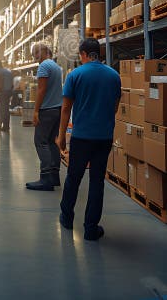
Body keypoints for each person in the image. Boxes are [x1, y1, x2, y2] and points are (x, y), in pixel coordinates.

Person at [56, 38, 121, 240]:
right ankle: (91, 228)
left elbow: (66, 108)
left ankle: (67, 218)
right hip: (104, 137)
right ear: (98, 54)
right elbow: (115, 106)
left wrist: (61, 137)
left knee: (74, 178)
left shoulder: (75, 75)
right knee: (97, 181)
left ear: (83, 54)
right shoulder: (113, 75)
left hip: (81, 137)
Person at [26, 43, 64, 191]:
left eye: (36, 52)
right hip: (57, 109)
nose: (34, 56)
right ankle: (54, 176)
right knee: (51, 142)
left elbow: (41, 90)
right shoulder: (55, 66)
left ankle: (46, 178)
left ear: (43, 51)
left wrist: (35, 111)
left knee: (40, 142)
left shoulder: (43, 67)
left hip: (46, 110)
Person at [0, 59, 13, 131]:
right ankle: (6, 126)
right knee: (6, 110)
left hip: (2, 93)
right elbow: (12, 84)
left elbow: (0, 84)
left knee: (1, 110)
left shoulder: (0, 72)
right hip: (8, 92)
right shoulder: (8, 71)